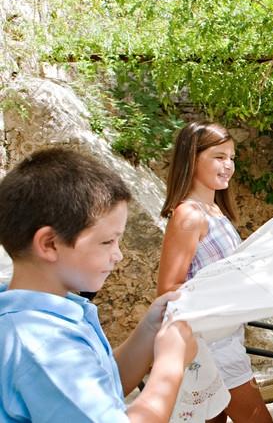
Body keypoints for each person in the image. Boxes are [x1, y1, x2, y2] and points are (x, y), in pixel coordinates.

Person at [0, 148, 197, 422]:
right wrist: (171, 364)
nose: (118, 255)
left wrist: (149, 329)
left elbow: (101, 387)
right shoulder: (46, 346)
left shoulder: (41, 317)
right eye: (107, 242)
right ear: (49, 244)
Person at [157, 121, 272, 423]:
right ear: (192, 158)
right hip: (209, 345)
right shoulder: (189, 215)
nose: (229, 165)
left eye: (232, 157)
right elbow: (168, 288)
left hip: (227, 337)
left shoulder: (215, 210)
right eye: (219, 157)